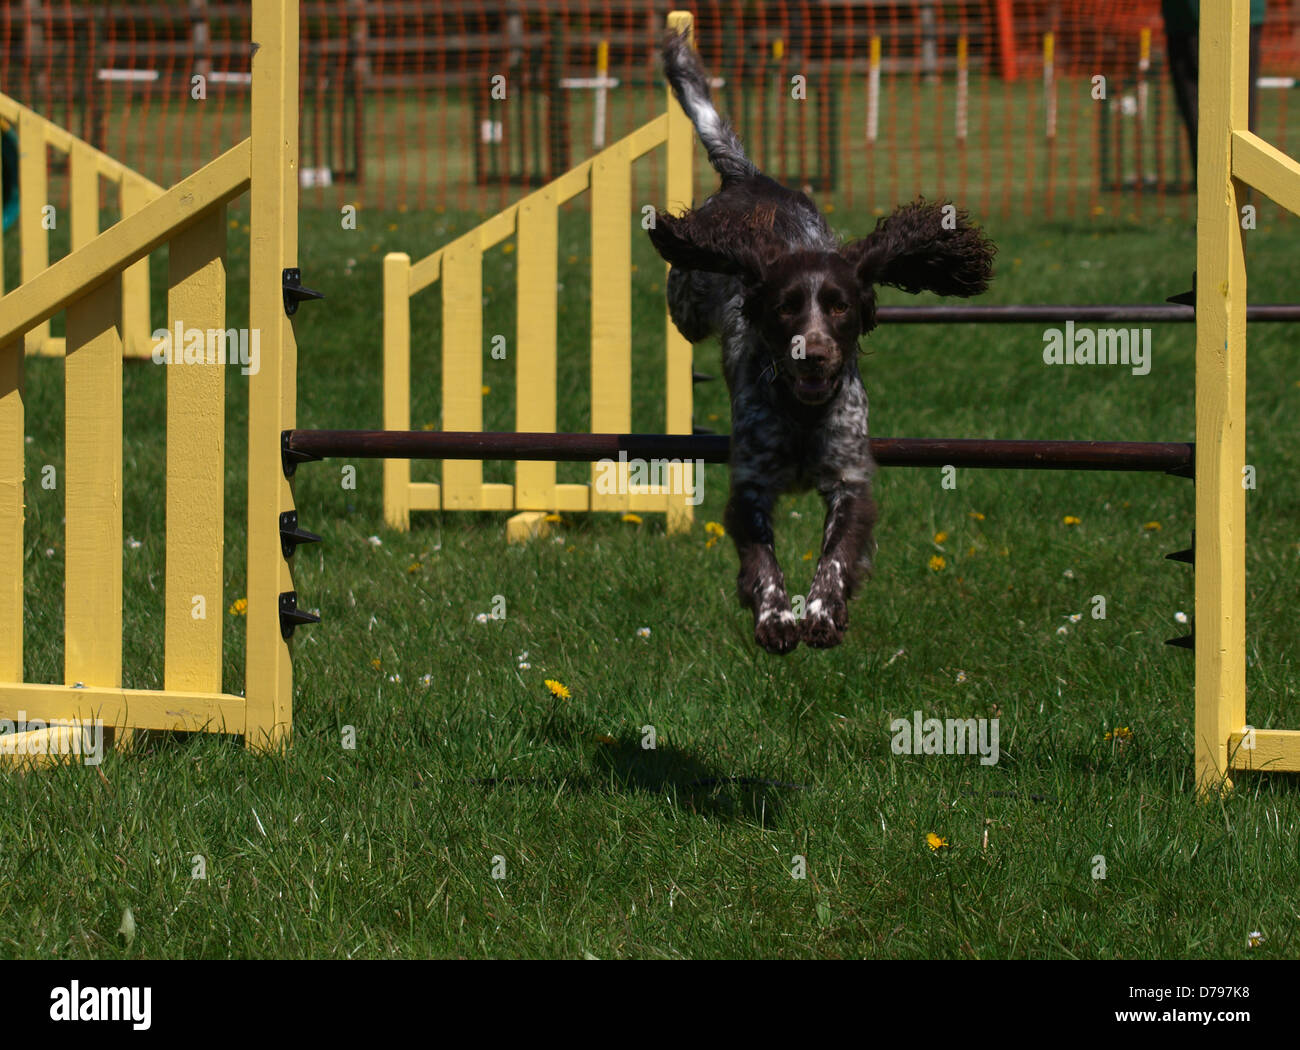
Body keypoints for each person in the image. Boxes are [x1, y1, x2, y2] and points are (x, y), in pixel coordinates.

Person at [1162, 0, 1267, 170]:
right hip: (1183, 21)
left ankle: (1240, 176)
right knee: (1197, 111)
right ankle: (1210, 176)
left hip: (1237, 19)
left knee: (1238, 109)